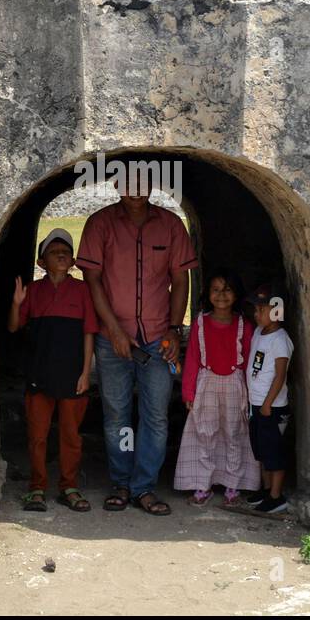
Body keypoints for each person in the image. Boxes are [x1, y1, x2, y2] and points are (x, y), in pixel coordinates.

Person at [76, 168, 197, 516]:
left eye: (143, 182)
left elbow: (180, 279)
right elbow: (93, 281)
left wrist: (175, 329)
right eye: (128, 183)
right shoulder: (100, 223)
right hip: (112, 339)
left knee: (155, 416)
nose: (135, 190)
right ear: (116, 185)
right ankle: (121, 481)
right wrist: (113, 329)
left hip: (157, 339)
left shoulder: (171, 225)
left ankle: (144, 487)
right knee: (118, 416)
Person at [8, 228, 97, 512]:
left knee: (71, 436)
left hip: (72, 375)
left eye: (66, 252)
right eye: (53, 251)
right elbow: (13, 327)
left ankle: (69, 487)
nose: (61, 254)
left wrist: (86, 373)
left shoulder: (83, 290)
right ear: (41, 262)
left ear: (72, 261)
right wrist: (16, 303)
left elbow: (88, 334)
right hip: (39, 374)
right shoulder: (33, 292)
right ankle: (37, 488)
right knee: (38, 436)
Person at [174, 270, 261, 505]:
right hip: (207, 383)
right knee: (205, 432)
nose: (221, 295)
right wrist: (188, 392)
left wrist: (252, 395)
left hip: (234, 384)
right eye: (215, 290)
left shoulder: (244, 325)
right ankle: (204, 483)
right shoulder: (200, 324)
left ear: (236, 294)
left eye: (227, 289)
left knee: (233, 433)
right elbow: (192, 358)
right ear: (207, 294)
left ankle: (233, 484)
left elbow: (250, 361)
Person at [245, 284, 294, 514]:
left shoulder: (280, 340)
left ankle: (276, 496)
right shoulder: (259, 332)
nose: (256, 314)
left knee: (274, 452)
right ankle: (266, 490)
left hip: (271, 407)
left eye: (260, 310)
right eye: (256, 309)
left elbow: (280, 374)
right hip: (256, 404)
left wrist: (267, 403)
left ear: (276, 311)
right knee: (262, 451)